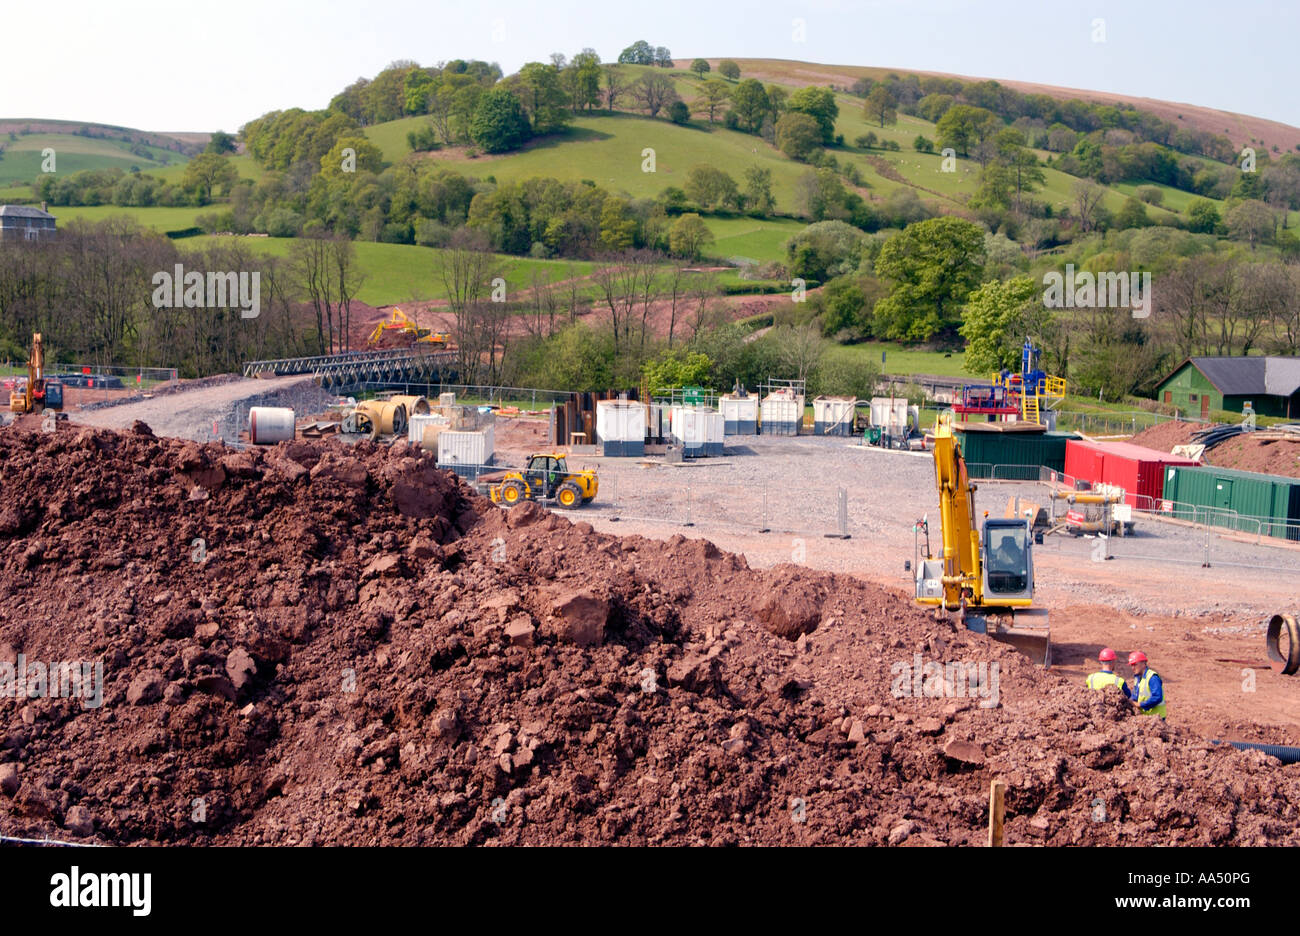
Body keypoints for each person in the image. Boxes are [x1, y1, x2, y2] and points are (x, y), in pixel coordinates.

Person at [1128, 651, 1166, 719]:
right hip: (1145, 718)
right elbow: (1135, 695)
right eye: (1131, 665)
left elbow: (1157, 697)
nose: (1132, 668)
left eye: (1135, 664)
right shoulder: (1138, 678)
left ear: (1143, 663)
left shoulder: (1152, 677)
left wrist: (1140, 704)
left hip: (1157, 718)